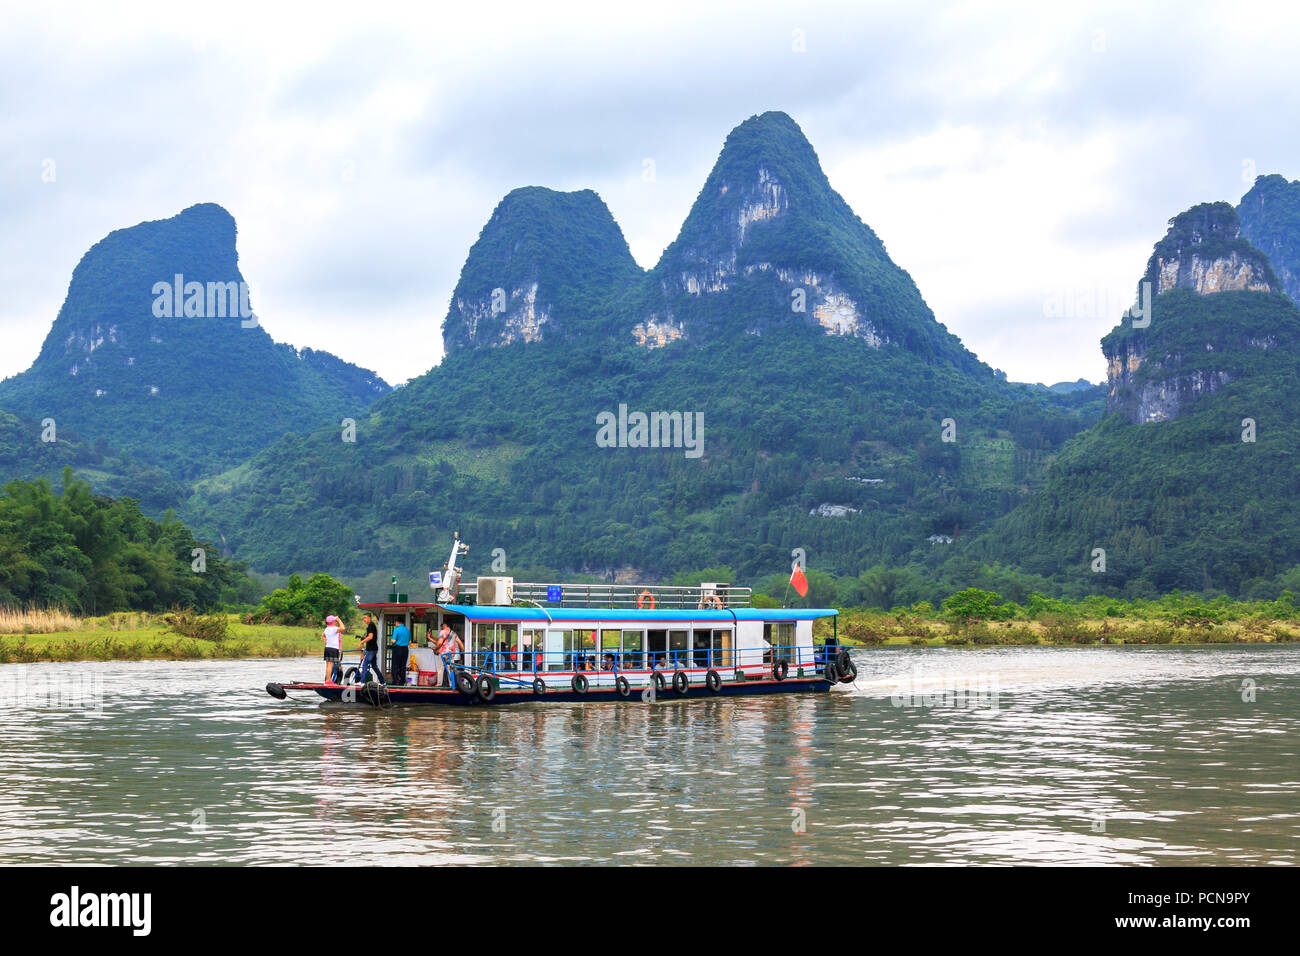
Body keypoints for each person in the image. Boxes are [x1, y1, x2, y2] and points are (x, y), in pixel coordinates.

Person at [355, 612, 384, 684]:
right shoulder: (371, 626)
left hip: (371, 649)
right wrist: (364, 638)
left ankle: (362, 682)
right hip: (372, 649)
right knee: (374, 666)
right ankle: (383, 682)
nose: (364, 619)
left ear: (369, 618)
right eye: (363, 618)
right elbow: (371, 637)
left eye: (365, 618)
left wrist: (361, 642)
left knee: (365, 664)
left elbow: (370, 637)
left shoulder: (371, 625)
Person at [322, 615, 344, 684]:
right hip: (333, 649)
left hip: (327, 648)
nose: (336, 622)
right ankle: (328, 681)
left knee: (328, 665)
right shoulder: (334, 628)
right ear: (333, 622)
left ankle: (327, 680)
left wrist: (325, 641)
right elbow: (343, 628)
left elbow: (323, 635)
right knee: (330, 665)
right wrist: (339, 620)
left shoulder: (326, 629)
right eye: (335, 621)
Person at [391, 619, 412, 686]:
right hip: (405, 649)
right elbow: (410, 642)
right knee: (403, 666)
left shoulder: (396, 629)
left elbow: (393, 641)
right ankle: (402, 682)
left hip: (398, 648)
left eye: (395, 623)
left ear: (397, 622)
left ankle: (394, 681)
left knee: (395, 666)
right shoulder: (407, 630)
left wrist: (392, 641)